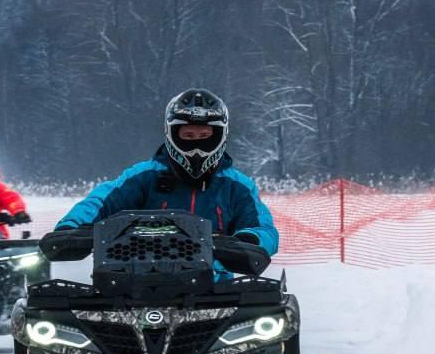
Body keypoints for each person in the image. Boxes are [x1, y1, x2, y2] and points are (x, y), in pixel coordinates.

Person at [55, 88, 278, 267]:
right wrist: (72, 227)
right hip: (131, 287)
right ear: (171, 134)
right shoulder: (143, 176)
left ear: (220, 136)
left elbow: (262, 227)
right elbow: (100, 201)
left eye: (204, 136)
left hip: (213, 290)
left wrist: (248, 241)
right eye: (188, 136)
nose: (196, 143)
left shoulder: (237, 186)